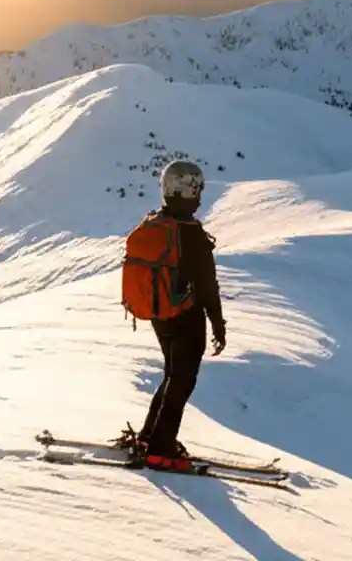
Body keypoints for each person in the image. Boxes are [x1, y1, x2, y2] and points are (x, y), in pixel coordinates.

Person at [131, 160, 226, 471]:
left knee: (172, 374)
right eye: (196, 189)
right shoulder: (191, 234)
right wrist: (217, 323)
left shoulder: (157, 224)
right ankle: (161, 447)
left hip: (161, 314)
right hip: (187, 315)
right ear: (188, 191)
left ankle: (149, 436)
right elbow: (207, 284)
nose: (199, 196)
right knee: (182, 379)